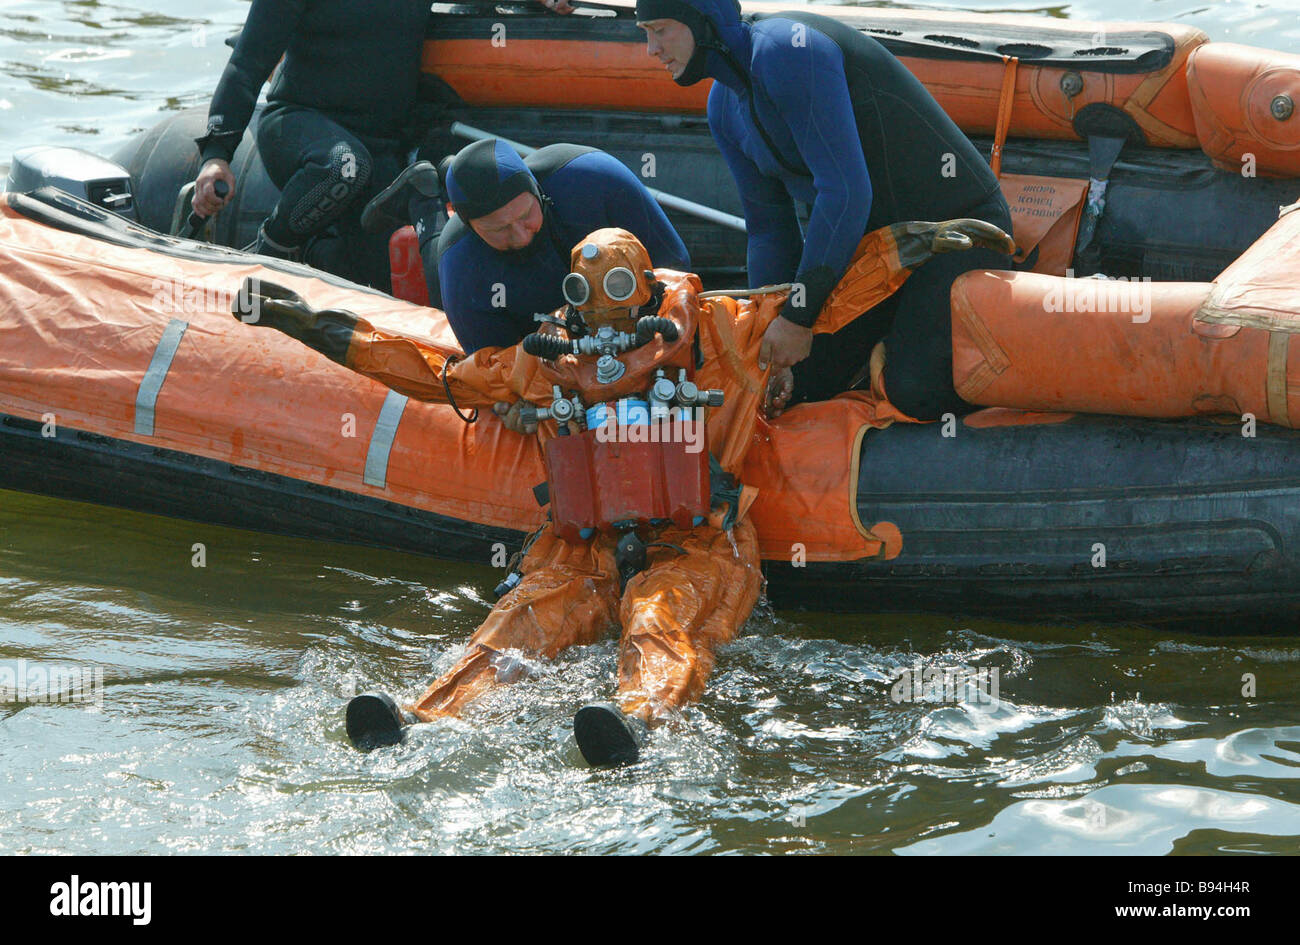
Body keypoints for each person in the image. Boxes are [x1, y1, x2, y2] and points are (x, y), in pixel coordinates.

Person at [232, 216, 1012, 764]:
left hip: (701, 538)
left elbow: (829, 295)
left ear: (646, 294)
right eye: (590, 303)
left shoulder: (720, 334)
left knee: (661, 617)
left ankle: (636, 720)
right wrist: (303, 320)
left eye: (622, 305)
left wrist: (918, 242)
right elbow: (429, 373)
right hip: (587, 545)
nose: (611, 342)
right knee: (519, 620)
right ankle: (423, 716)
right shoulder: (549, 361)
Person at [635, 0, 1015, 419]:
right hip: (872, 257)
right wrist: (769, 332)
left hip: (954, 235)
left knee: (915, 391)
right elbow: (768, 229)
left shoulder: (787, 52)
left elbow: (846, 194)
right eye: (645, 33)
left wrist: (799, 318)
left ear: (703, 22)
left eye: (661, 29)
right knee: (796, 386)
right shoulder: (723, 108)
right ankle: (884, 347)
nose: (652, 49)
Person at [191, 0, 432, 289]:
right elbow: (246, 65)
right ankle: (267, 263)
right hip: (300, 124)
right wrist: (217, 154)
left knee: (384, 278)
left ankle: (316, 253)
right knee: (345, 165)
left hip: (381, 145)